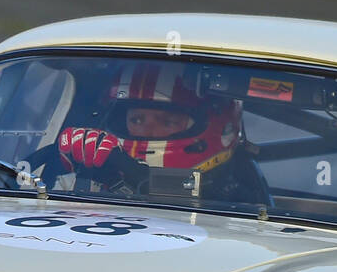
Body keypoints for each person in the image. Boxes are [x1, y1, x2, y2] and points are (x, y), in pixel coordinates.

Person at [24, 64, 270, 204]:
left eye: (168, 120)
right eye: (137, 119)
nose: (149, 131)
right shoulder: (85, 178)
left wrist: (135, 173)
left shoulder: (239, 197)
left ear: (221, 128)